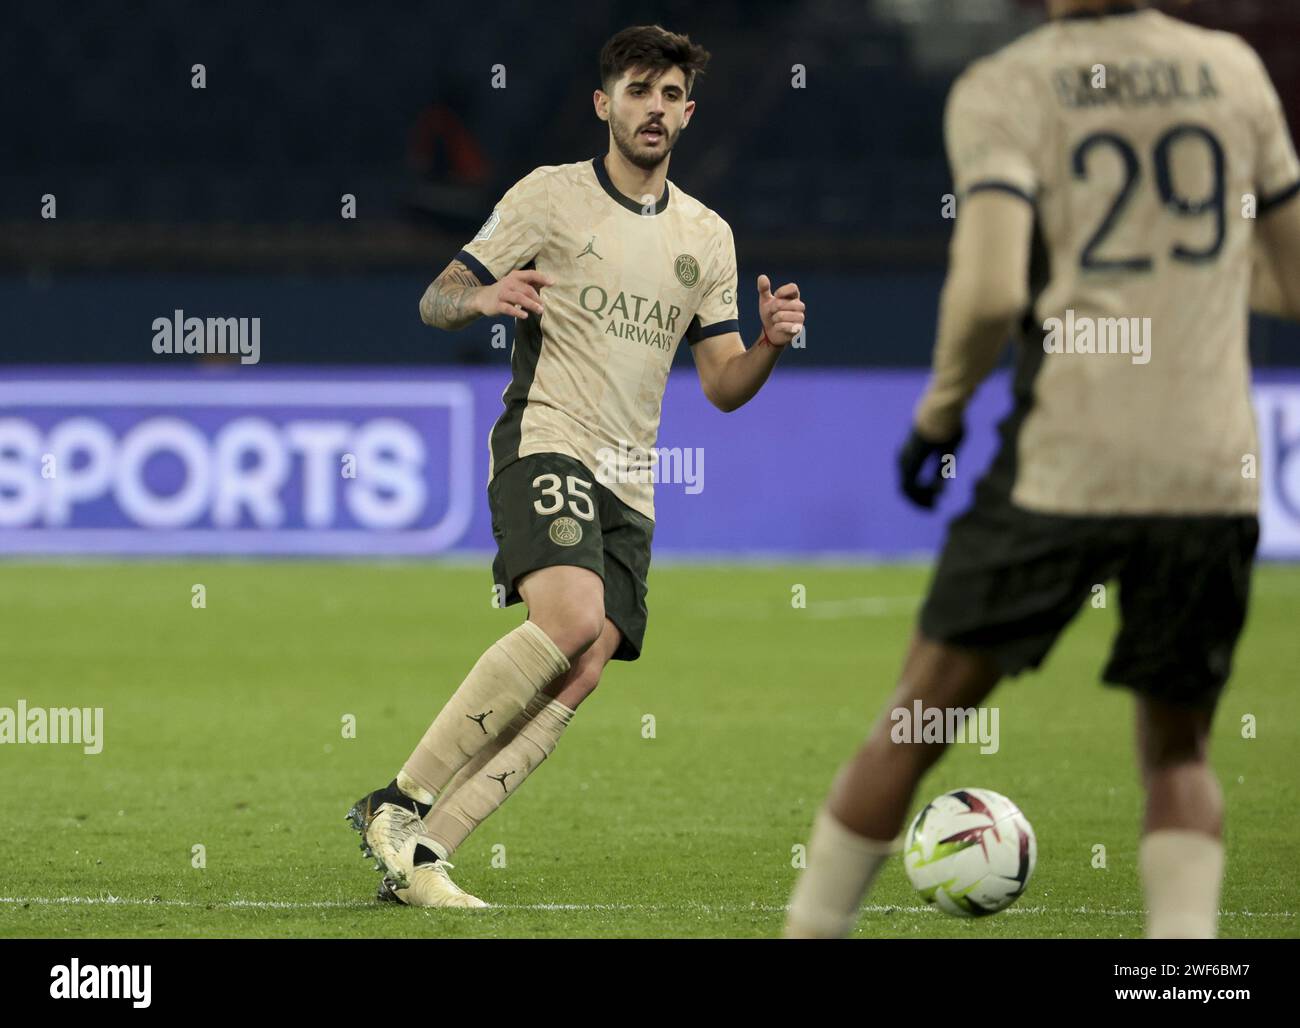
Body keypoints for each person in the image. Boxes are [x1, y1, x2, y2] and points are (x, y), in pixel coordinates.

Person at [785, 0, 1300, 939]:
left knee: (917, 718)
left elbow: (987, 293)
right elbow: (1296, 279)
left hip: (1071, 455)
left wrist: (938, 418)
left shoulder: (1010, 84)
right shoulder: (1234, 70)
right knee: (1180, 750)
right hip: (1210, 466)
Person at [348, 24, 806, 907]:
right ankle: (397, 802)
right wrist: (483, 295)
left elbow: (721, 384)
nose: (655, 109)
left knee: (586, 658)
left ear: (688, 114)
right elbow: (435, 296)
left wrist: (772, 346)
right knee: (570, 617)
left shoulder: (707, 237)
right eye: (639, 91)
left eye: (671, 96)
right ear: (605, 104)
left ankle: (424, 859)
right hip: (546, 438)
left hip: (632, 478)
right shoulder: (550, 198)